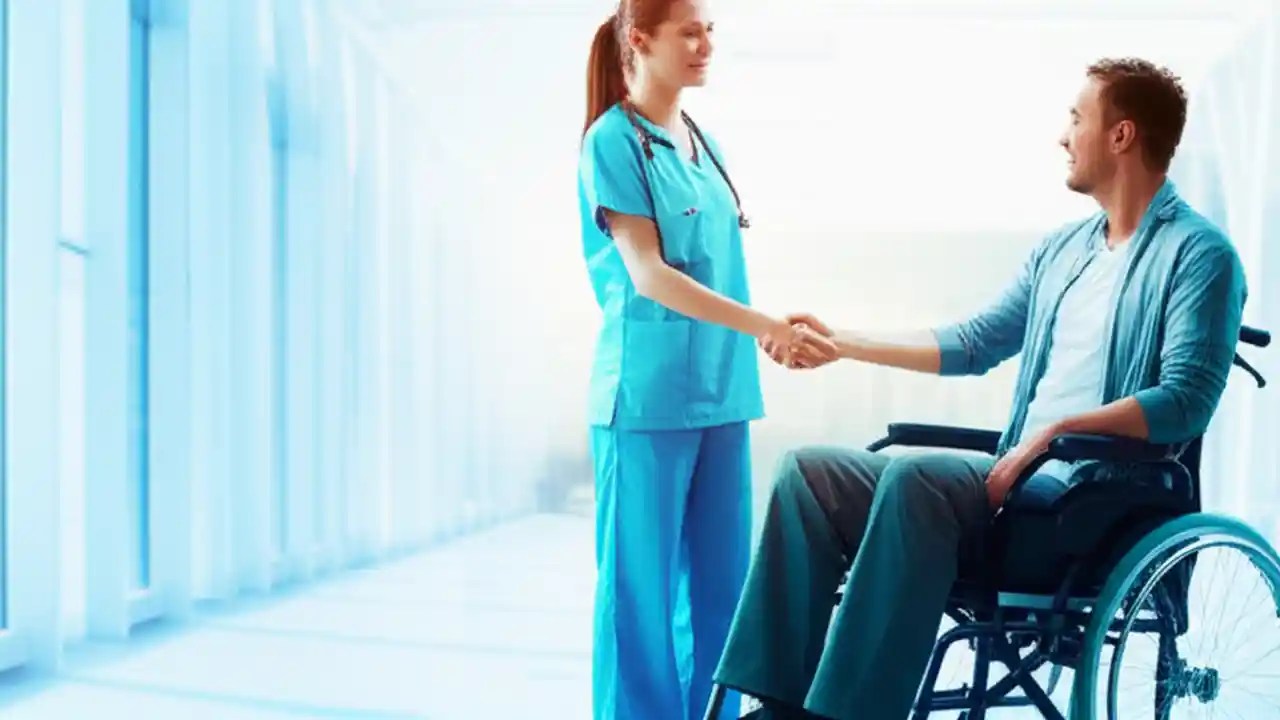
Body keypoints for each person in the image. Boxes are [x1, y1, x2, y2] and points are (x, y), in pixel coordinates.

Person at [711, 57, 1248, 720]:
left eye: (1077, 117)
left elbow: (1186, 399)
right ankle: (776, 703)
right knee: (808, 476)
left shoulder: (1200, 255)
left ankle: (846, 714)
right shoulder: (1064, 250)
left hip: (1093, 497)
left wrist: (1048, 439)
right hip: (1017, 481)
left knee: (918, 478)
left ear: (1122, 136)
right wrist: (840, 344)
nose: (1063, 134)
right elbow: (973, 344)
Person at [576, 2, 838, 719]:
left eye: (710, 30)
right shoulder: (612, 141)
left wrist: (760, 335)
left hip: (722, 395)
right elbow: (650, 274)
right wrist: (766, 327)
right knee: (640, 597)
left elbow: (718, 266)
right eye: (688, 31)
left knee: (722, 591)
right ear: (640, 40)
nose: (705, 44)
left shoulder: (703, 141)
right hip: (645, 400)